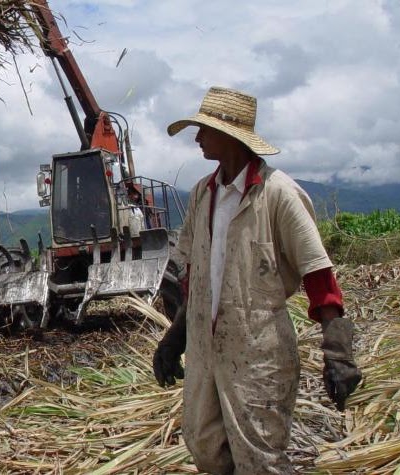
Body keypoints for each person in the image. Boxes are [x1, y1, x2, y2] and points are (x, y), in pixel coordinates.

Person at [152, 87, 362, 474]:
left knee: (260, 458)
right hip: (205, 350)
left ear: (229, 135)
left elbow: (318, 275)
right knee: (204, 445)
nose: (197, 139)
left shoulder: (278, 194)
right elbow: (195, 279)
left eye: (204, 130)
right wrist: (174, 339)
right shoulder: (202, 194)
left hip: (258, 351)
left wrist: (338, 352)